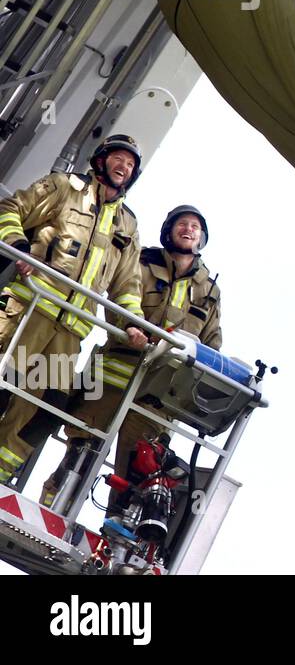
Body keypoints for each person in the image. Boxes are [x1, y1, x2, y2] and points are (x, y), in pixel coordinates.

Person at [42, 204, 222, 511]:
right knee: (81, 451)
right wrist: (131, 328)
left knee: (139, 467)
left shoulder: (209, 289)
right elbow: (118, 299)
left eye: (195, 226)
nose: (188, 229)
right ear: (169, 230)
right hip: (113, 374)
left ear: (202, 238)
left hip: (157, 395)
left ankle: (112, 538)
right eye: (182, 223)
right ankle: (51, 509)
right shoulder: (141, 261)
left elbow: (211, 344)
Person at [0, 134, 145, 487]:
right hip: (30, 310)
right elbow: (9, 209)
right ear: (100, 160)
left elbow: (127, 287)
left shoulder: (127, 225)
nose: (123, 167)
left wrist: (134, 325)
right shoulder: (65, 187)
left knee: (42, 410)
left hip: (70, 333)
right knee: (3, 383)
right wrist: (20, 249)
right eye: (118, 158)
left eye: (130, 163)